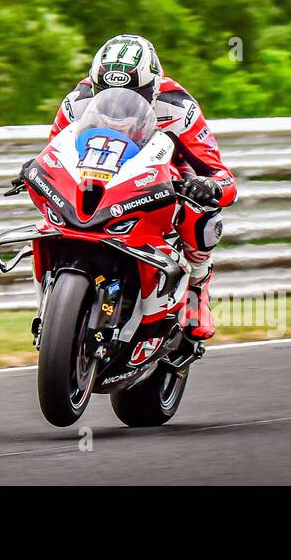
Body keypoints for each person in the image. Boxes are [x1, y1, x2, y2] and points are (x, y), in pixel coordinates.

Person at [45, 33, 237, 339]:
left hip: (160, 180)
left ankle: (197, 289)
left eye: (132, 93)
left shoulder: (179, 108)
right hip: (97, 180)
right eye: (105, 92)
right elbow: (56, 150)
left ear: (154, 88)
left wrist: (208, 186)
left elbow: (221, 175)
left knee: (203, 212)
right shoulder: (77, 102)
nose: (117, 105)